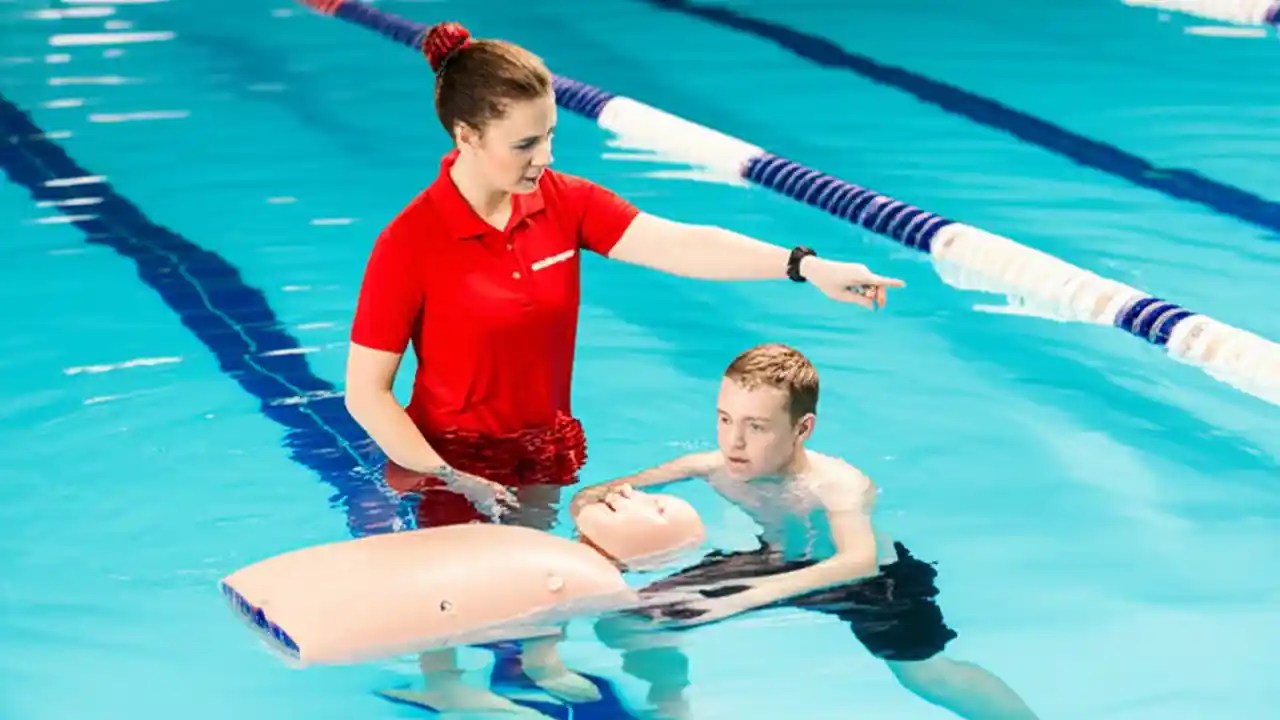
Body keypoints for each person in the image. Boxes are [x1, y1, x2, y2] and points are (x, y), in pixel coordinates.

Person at [342, 18, 905, 715]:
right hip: (450, 453)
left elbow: (678, 244)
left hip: (540, 438)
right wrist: (451, 475)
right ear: (466, 138)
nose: (543, 156)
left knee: (537, 556)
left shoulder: (561, 203)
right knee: (449, 578)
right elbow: (366, 394)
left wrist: (804, 266)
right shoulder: (410, 243)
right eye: (524, 143)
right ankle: (442, 681)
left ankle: (537, 657)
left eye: (550, 135)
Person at [573, 344, 1040, 720]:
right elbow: (595, 494)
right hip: (778, 561)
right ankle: (673, 707)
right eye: (724, 419)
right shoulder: (712, 467)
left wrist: (743, 597)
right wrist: (605, 530)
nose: (733, 442)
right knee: (627, 621)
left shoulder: (838, 484)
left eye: (756, 427)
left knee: (925, 676)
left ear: (802, 429)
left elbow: (858, 560)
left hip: (874, 585)